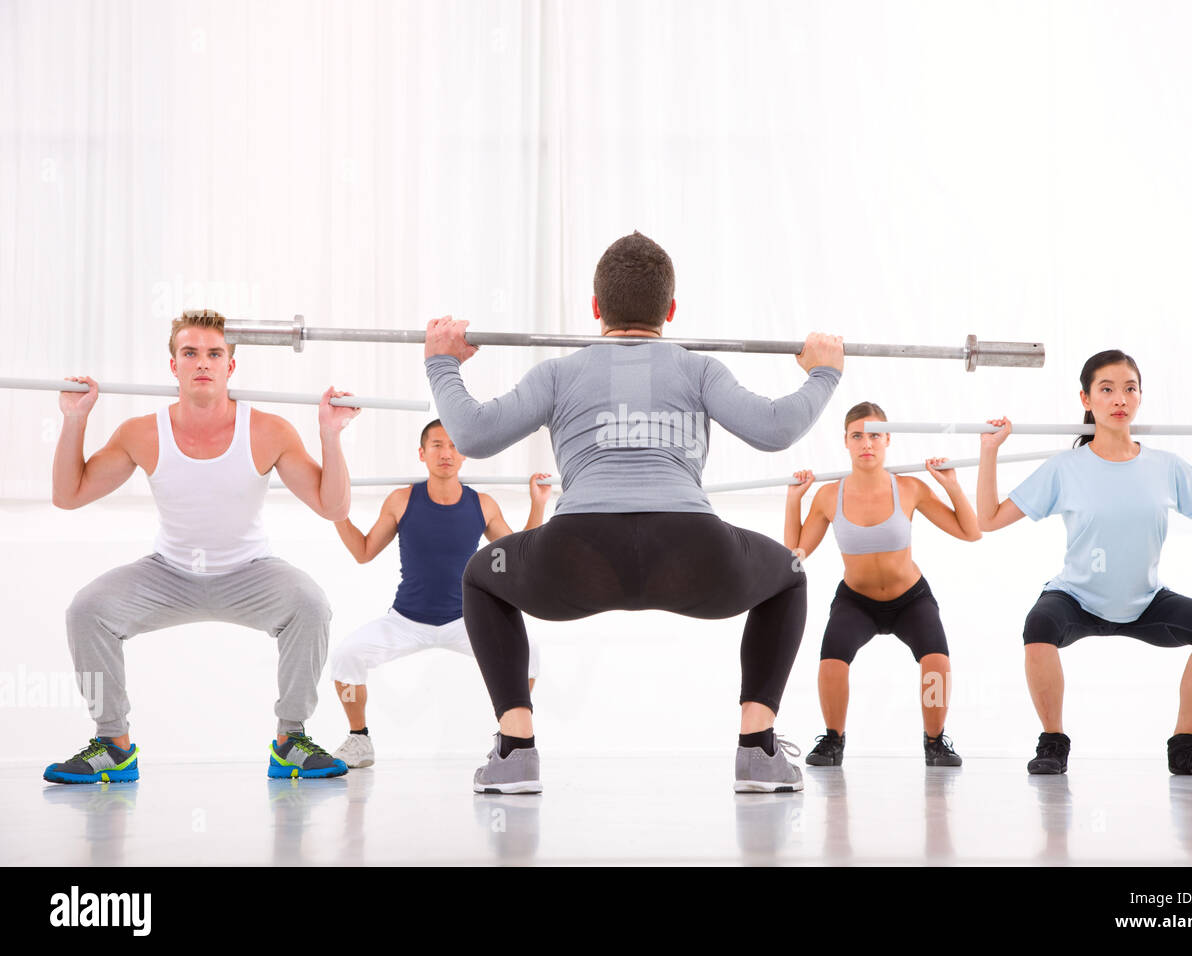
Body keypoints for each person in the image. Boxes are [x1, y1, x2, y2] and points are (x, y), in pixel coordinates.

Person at [423, 231, 845, 794]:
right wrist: (824, 373)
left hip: (578, 558)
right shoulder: (699, 370)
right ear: (670, 312)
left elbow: (471, 432)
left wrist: (442, 365)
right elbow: (776, 428)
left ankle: (515, 752)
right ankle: (758, 751)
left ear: (595, 309)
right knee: (789, 573)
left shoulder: (560, 373)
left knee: (481, 576)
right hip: (692, 555)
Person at [43, 309, 357, 784]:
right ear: (174, 366)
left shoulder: (268, 431)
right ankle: (113, 745)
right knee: (86, 610)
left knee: (310, 604)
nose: (202, 363)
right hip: (167, 574)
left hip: (250, 573)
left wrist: (330, 437)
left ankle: (290, 740)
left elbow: (332, 508)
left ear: (231, 365)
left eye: (215, 353)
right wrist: (74, 420)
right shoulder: (142, 433)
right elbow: (69, 496)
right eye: (190, 353)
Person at [976, 349, 1192, 776]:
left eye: (1129, 389)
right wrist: (990, 451)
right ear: (1086, 400)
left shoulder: (1166, 467)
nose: (1119, 398)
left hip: (1145, 601)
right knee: (1039, 626)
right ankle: (1052, 742)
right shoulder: (1066, 468)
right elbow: (989, 519)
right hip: (1076, 598)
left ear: (1140, 396)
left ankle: (1185, 745)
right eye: (1106, 390)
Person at [329, 419, 550, 767]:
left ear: (464, 455)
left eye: (454, 445)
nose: (446, 453)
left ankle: (510, 734)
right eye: (437, 445)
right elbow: (364, 551)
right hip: (405, 621)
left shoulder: (483, 505)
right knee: (346, 657)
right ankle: (359, 740)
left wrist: (537, 504)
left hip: (466, 621)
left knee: (530, 654)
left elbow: (519, 558)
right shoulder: (401, 501)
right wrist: (337, 514)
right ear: (422, 453)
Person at [785, 402, 981, 768]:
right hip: (856, 602)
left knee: (936, 661)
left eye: (874, 435)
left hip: (911, 600)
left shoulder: (910, 488)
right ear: (845, 441)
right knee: (832, 660)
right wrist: (793, 501)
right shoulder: (829, 496)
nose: (866, 443)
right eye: (857, 436)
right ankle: (833, 740)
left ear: (888, 438)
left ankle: (935, 742)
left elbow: (970, 532)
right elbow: (794, 557)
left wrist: (953, 486)